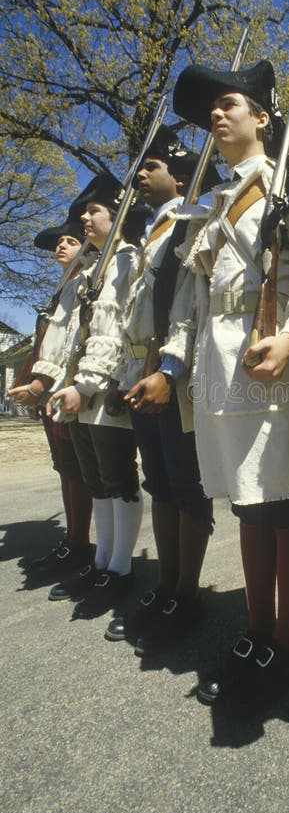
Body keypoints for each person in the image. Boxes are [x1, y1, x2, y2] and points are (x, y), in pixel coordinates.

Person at [171, 58, 289, 701]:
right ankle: (257, 628)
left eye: (231, 103)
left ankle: (286, 640)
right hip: (219, 360)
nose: (218, 113)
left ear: (263, 118)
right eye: (213, 108)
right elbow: (194, 293)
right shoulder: (206, 203)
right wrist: (180, 364)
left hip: (272, 353)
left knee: (284, 498)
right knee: (244, 497)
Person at [105, 127, 218, 655]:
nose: (141, 176)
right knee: (160, 482)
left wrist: (171, 370)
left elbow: (188, 305)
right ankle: (167, 585)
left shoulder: (189, 220)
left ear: (178, 172)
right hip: (141, 370)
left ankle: (188, 594)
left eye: (151, 166)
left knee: (186, 483)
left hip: (176, 370)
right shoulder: (149, 232)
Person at [47, 173, 147, 620]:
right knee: (97, 482)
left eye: (94, 211)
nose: (85, 218)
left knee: (117, 479)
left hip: (108, 385)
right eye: (85, 211)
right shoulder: (89, 271)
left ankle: (121, 568)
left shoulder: (127, 261)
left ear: (118, 215)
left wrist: (87, 383)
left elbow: (114, 331)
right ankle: (103, 560)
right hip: (79, 387)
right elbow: (70, 334)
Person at [8, 205, 94, 578]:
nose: (61, 247)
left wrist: (53, 387)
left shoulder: (87, 282)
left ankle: (81, 544)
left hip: (71, 389)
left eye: (70, 240)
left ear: (87, 248)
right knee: (65, 468)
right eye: (58, 242)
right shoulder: (62, 287)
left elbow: (75, 342)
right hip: (49, 390)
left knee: (79, 470)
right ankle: (72, 541)